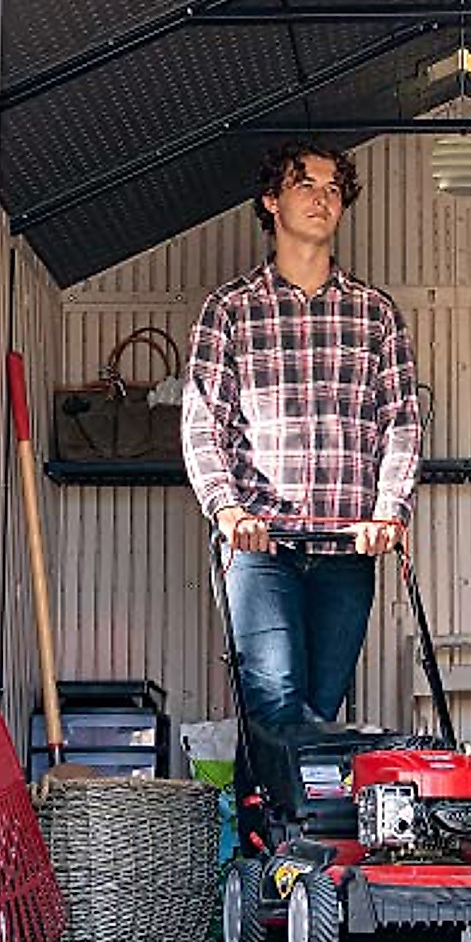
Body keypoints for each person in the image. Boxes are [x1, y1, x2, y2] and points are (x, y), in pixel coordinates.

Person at [182, 142, 422, 729]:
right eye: (305, 185)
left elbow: (402, 422)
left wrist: (389, 513)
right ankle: (265, 823)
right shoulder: (231, 310)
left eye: (334, 189)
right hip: (264, 548)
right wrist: (228, 511)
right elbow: (202, 419)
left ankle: (298, 823)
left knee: (318, 712)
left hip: (347, 549)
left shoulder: (375, 314)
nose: (322, 199)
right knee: (273, 702)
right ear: (271, 201)